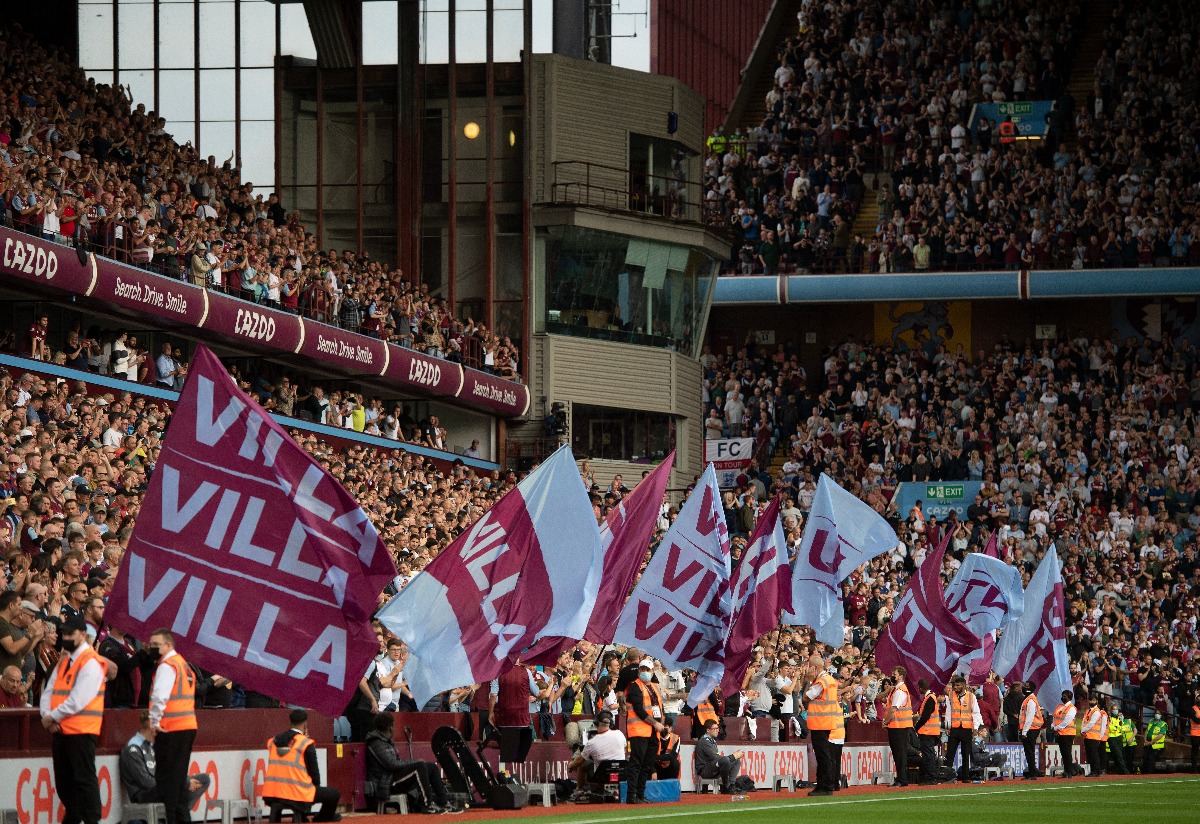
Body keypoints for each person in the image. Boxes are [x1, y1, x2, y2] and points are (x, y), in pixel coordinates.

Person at [39, 616, 105, 824]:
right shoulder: (65, 661)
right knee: (64, 783)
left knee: (84, 781)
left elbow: (78, 700)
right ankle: (74, 817)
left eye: (70, 634)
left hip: (81, 731)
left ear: (83, 635)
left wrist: (51, 717)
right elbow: (49, 691)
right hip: (61, 730)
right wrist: (46, 716)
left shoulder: (91, 663)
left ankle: (91, 820)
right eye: (64, 634)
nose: (65, 638)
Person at [146, 629, 197, 824]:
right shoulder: (183, 665)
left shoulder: (167, 666)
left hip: (170, 727)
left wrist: (154, 722)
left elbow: (160, 697)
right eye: (151, 644)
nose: (152, 648)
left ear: (168, 645)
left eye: (156, 644)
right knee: (178, 780)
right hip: (186, 725)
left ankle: (172, 819)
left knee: (168, 781)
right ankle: (182, 819)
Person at [364, 712, 458, 814]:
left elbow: (395, 763)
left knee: (431, 767)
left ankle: (443, 802)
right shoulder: (376, 743)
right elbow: (391, 764)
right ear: (390, 728)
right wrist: (414, 762)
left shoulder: (386, 741)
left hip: (392, 777)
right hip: (386, 783)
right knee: (419, 766)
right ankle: (427, 805)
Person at [261, 709, 341, 821]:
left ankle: (302, 816)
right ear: (305, 724)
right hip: (297, 794)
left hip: (271, 794)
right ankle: (321, 818)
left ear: (290, 722)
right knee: (334, 794)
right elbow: (315, 775)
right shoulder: (305, 743)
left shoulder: (273, 741)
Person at [120, 711, 211, 806]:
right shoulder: (133, 748)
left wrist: (184, 781)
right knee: (179, 787)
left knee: (204, 779)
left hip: (160, 787)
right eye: (159, 726)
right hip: (143, 795)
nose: (162, 730)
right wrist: (183, 784)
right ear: (150, 724)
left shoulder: (153, 744)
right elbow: (147, 783)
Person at [624, 657, 666, 804]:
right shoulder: (635, 686)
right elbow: (639, 710)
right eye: (642, 669)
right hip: (639, 731)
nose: (644, 672)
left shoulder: (654, 687)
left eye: (647, 670)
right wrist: (656, 724)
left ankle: (640, 795)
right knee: (636, 763)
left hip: (653, 732)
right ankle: (632, 796)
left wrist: (662, 724)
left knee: (647, 764)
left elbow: (660, 708)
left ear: (652, 671)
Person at [802, 650, 844, 796]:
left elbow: (806, 697)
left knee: (822, 755)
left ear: (815, 668)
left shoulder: (821, 681)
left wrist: (808, 680)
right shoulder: (830, 680)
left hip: (820, 722)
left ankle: (825, 786)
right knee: (823, 754)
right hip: (826, 722)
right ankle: (823, 784)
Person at [567, 710, 627, 794]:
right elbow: (624, 750)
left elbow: (579, 761)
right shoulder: (619, 734)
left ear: (596, 724)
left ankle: (579, 790)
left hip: (602, 776)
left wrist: (571, 765)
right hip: (620, 774)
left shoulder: (592, 742)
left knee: (582, 765)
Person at [944, 676, 982, 782]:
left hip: (966, 728)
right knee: (950, 753)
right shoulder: (950, 696)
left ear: (964, 686)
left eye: (957, 685)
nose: (955, 687)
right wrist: (948, 727)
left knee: (966, 754)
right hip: (955, 728)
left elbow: (976, 713)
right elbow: (948, 712)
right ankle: (947, 776)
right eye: (954, 685)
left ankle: (965, 777)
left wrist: (975, 727)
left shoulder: (971, 697)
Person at [694, 717, 744, 793]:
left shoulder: (712, 741)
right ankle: (725, 786)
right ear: (708, 730)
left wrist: (734, 757)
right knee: (726, 759)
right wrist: (733, 756)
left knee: (736, 760)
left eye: (718, 728)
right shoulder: (704, 742)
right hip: (705, 770)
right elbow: (716, 757)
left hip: (712, 767)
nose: (718, 730)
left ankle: (731, 785)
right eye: (715, 728)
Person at [884, 667, 913, 786]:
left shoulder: (900, 690)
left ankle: (902, 778)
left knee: (899, 753)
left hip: (898, 726)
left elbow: (893, 710)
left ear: (900, 676)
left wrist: (885, 721)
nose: (893, 676)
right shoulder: (898, 689)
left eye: (894, 674)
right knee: (898, 752)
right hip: (898, 725)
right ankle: (901, 777)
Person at [915, 678, 941, 784]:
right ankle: (930, 777)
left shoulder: (929, 698)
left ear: (921, 688)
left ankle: (930, 778)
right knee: (928, 755)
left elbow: (925, 716)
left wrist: (916, 727)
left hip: (928, 731)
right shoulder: (931, 697)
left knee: (928, 755)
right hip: (931, 731)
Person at [1051, 690, 1081, 777]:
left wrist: (1056, 728)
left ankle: (1069, 771)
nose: (1063, 697)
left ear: (1069, 697)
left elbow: (1066, 721)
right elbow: (1054, 717)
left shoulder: (1071, 708)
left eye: (1065, 696)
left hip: (1068, 733)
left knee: (1067, 753)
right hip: (1060, 733)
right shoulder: (1059, 706)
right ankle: (1067, 770)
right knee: (1063, 753)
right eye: (1062, 696)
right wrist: (1053, 727)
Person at [1018, 681, 1044, 778]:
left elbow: (1029, 717)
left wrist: (1024, 731)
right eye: (1025, 685)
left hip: (1031, 729)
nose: (1025, 687)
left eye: (1027, 686)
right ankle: (1031, 771)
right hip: (1030, 728)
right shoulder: (1028, 699)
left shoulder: (1031, 700)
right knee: (1029, 751)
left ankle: (1032, 773)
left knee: (1029, 751)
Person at [1080, 695, 1107, 775]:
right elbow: (1083, 721)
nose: (1092, 702)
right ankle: (1093, 770)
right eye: (1091, 700)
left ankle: (1096, 771)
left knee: (1094, 754)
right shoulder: (1088, 711)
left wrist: (1083, 730)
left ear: (1097, 701)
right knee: (1089, 755)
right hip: (1087, 736)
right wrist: (1082, 730)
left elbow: (1091, 724)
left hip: (1094, 736)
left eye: (1093, 700)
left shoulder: (1097, 712)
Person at [1106, 704, 1127, 774]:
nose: (1115, 710)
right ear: (1112, 710)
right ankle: (1125, 771)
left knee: (1118, 755)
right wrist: (1117, 727)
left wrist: (1120, 722)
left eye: (1116, 709)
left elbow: (1122, 728)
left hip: (1119, 737)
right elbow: (1110, 728)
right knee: (1118, 754)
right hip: (1111, 737)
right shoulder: (1109, 718)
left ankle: (1117, 771)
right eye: (1114, 709)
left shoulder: (1120, 718)